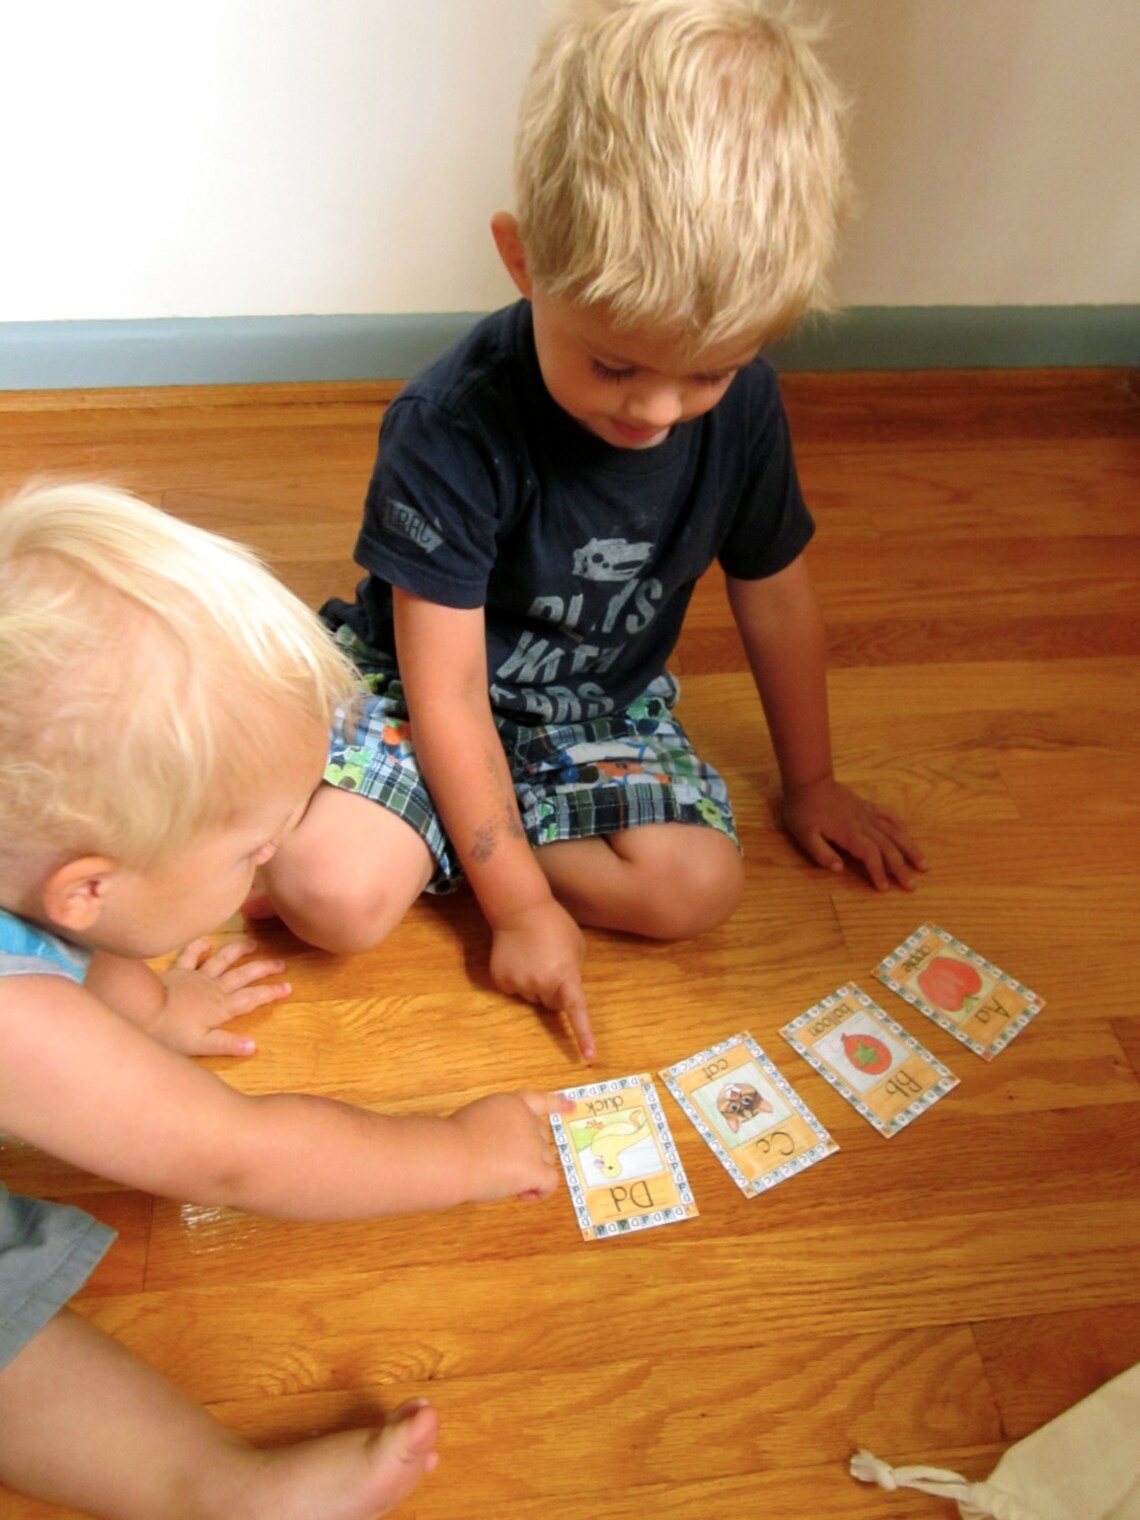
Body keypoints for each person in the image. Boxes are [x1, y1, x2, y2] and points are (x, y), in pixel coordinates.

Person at [259, 0, 926, 1062]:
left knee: (698, 884)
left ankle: (458, 838)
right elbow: (445, 694)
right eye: (614, 364)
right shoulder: (450, 425)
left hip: (589, 709)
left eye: (706, 371)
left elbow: (777, 590)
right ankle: (468, 843)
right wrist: (520, 905)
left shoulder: (747, 405)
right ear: (523, 262)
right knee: (329, 896)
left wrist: (812, 781)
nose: (655, 410)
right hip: (427, 689)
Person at [0, 482, 572, 1520]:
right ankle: (215, 1489)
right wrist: (464, 1151)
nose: (274, 862)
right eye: (255, 847)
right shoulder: (15, 1023)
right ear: (90, 884)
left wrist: (152, 1004)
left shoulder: (27, 841)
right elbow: (235, 1154)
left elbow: (71, 937)